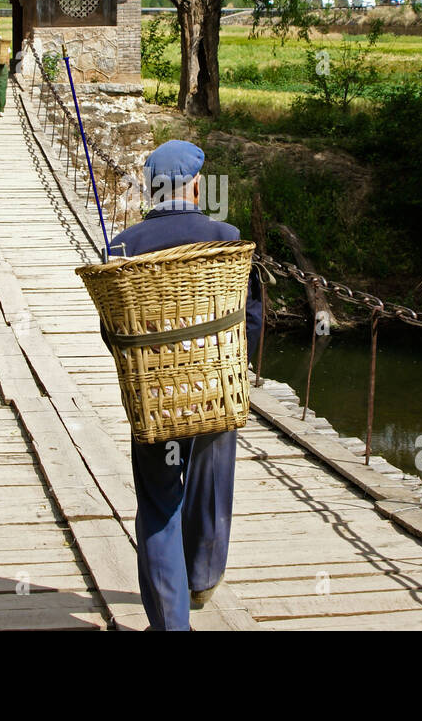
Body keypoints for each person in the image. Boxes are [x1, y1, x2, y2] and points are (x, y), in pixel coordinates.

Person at [103, 139, 263, 631]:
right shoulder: (227, 237)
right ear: (197, 185)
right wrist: (240, 366)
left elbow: (114, 331)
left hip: (156, 401)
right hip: (217, 388)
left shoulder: (123, 247)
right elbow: (250, 316)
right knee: (210, 487)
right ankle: (203, 576)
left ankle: (171, 624)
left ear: (151, 189)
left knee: (158, 505)